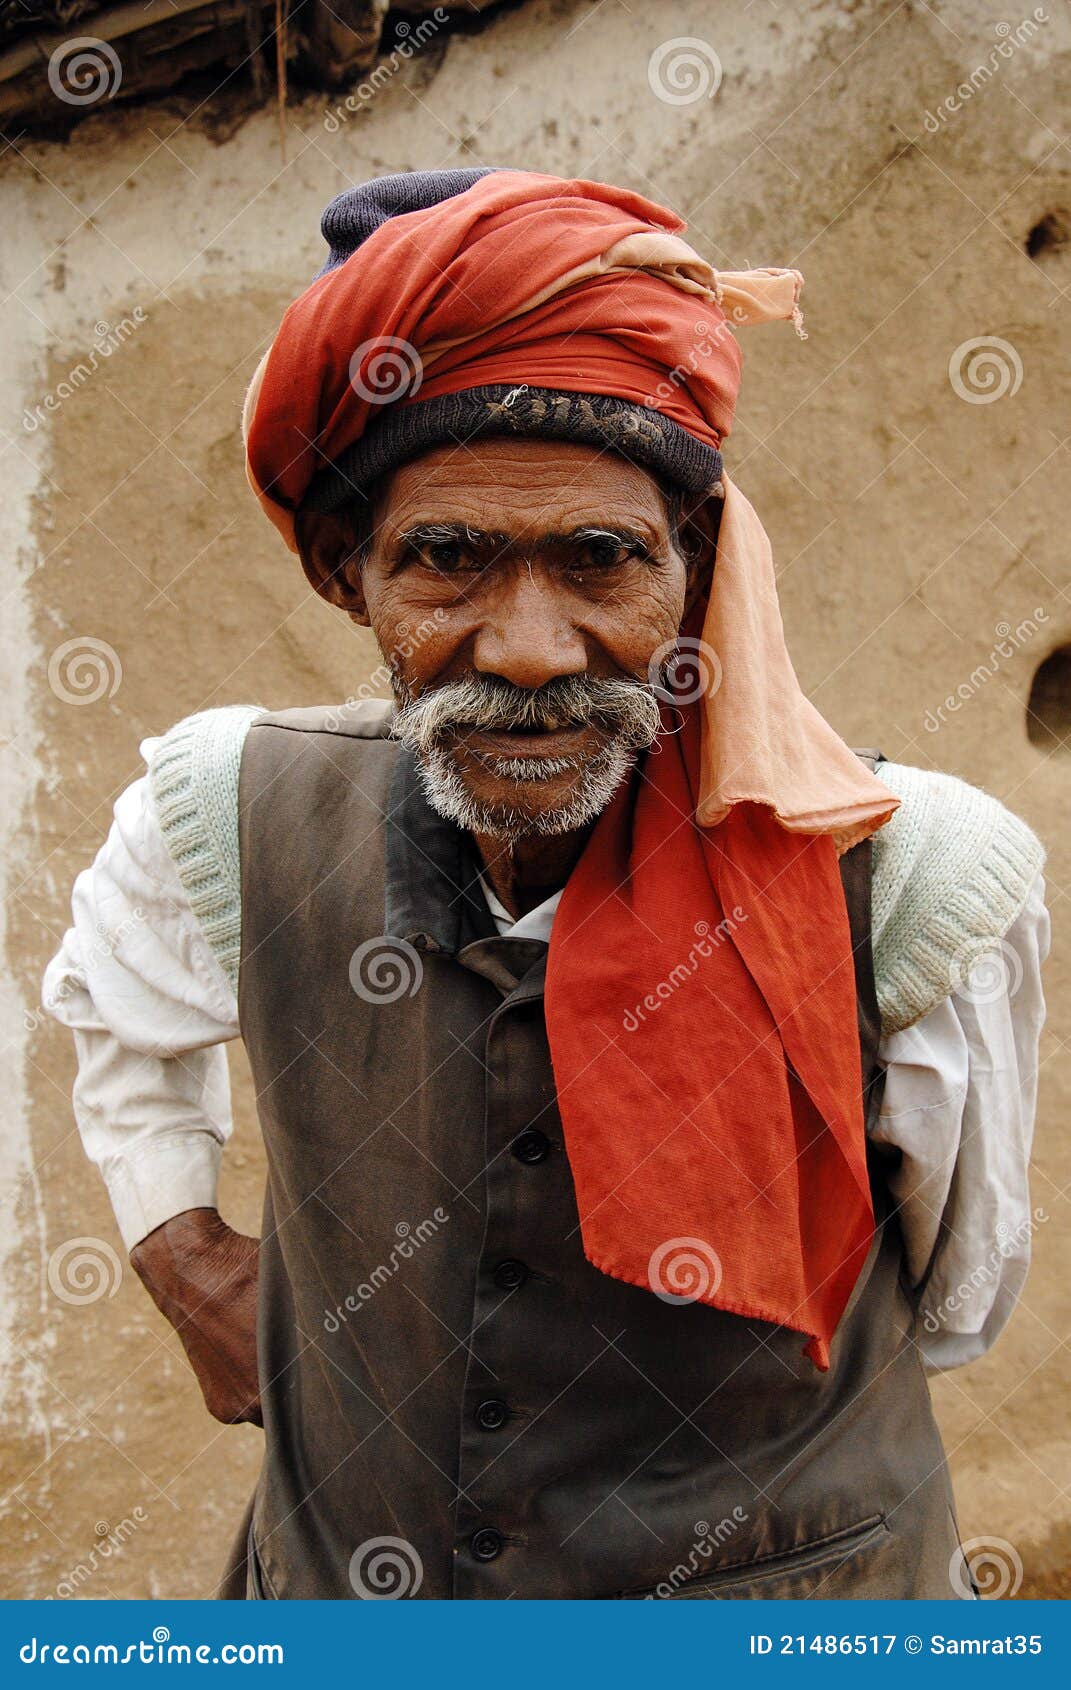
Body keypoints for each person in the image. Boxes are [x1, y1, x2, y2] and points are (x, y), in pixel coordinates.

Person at [44, 168, 1047, 1601]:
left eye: (601, 560)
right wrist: (183, 1251)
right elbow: (117, 1019)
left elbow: (955, 1301)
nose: (528, 649)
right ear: (344, 574)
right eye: (447, 560)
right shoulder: (227, 805)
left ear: (693, 570)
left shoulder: (915, 874)